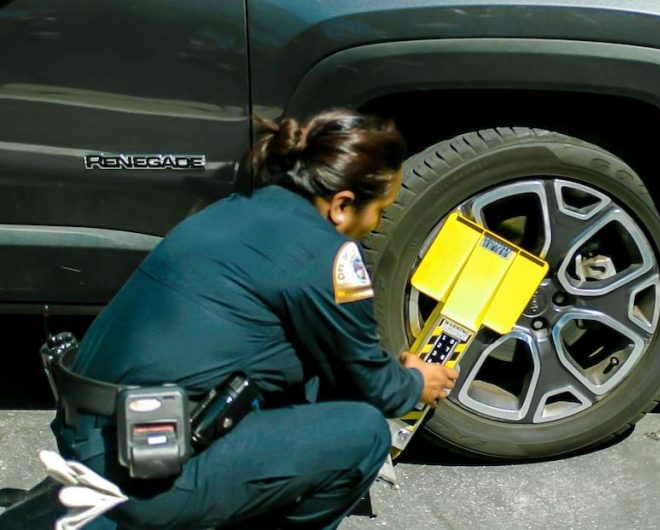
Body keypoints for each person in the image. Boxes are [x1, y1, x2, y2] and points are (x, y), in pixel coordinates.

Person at [50, 108, 459, 529]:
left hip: (90, 433)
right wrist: (416, 381)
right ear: (342, 204)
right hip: (148, 470)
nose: (376, 224)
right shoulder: (329, 255)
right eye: (380, 210)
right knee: (365, 432)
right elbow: (378, 386)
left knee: (315, 378)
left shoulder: (236, 206)